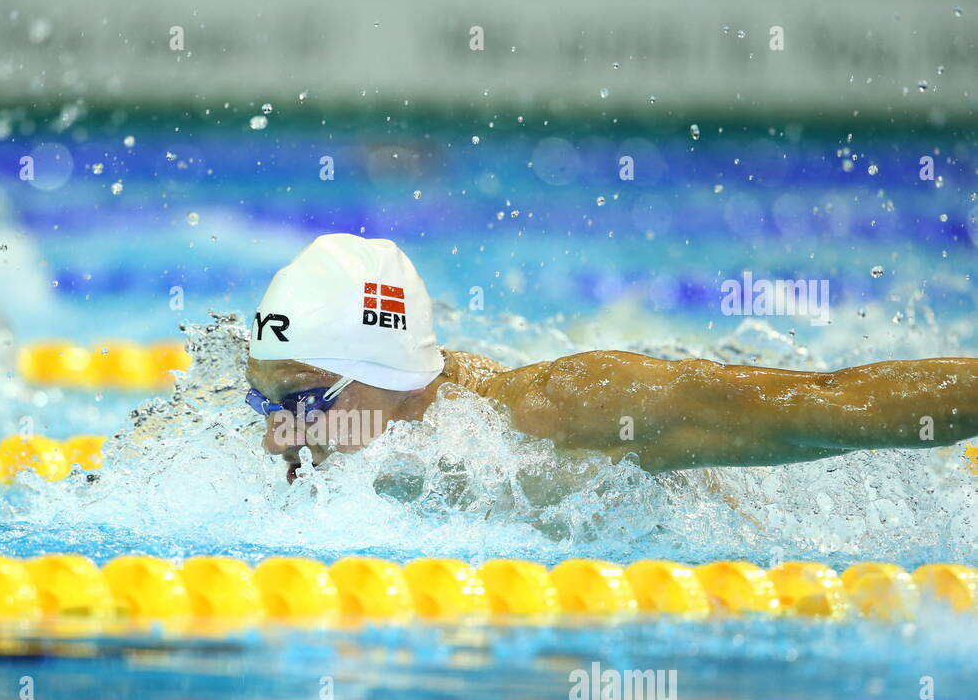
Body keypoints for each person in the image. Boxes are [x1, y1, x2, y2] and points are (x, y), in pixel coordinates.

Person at [245, 234, 978, 483]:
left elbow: (827, 402)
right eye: (262, 401)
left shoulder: (561, 408)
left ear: (395, 376)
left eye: (307, 403)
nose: (280, 433)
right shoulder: (314, 428)